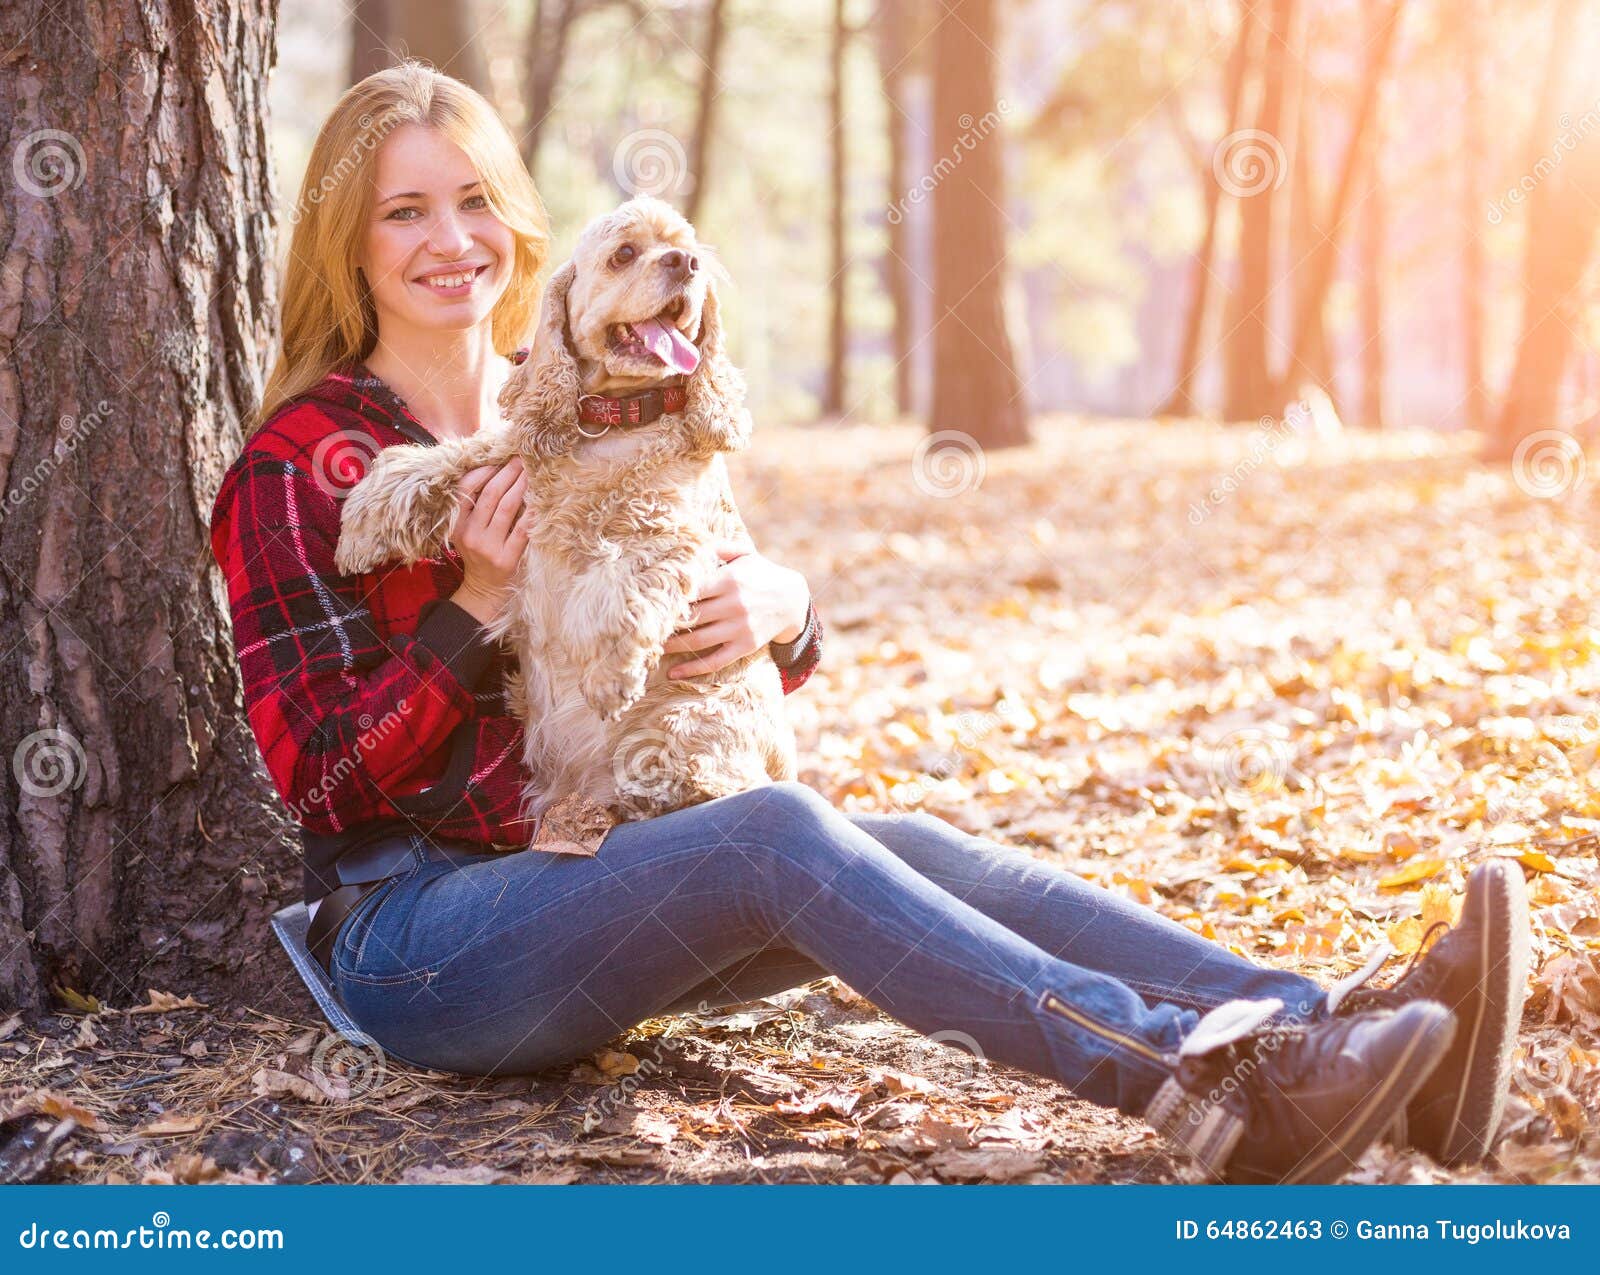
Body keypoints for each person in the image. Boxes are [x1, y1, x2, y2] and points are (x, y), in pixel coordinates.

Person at [209, 63, 1528, 1184]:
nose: (454, 238)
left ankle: (1352, 1038)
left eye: (477, 199)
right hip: (420, 940)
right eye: (406, 211)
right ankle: (1201, 1093)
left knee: (894, 839)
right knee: (789, 834)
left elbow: (707, 627)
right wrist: (476, 608)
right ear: (350, 241)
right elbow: (321, 786)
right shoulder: (302, 462)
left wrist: (785, 613)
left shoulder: (578, 388)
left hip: (619, 861)